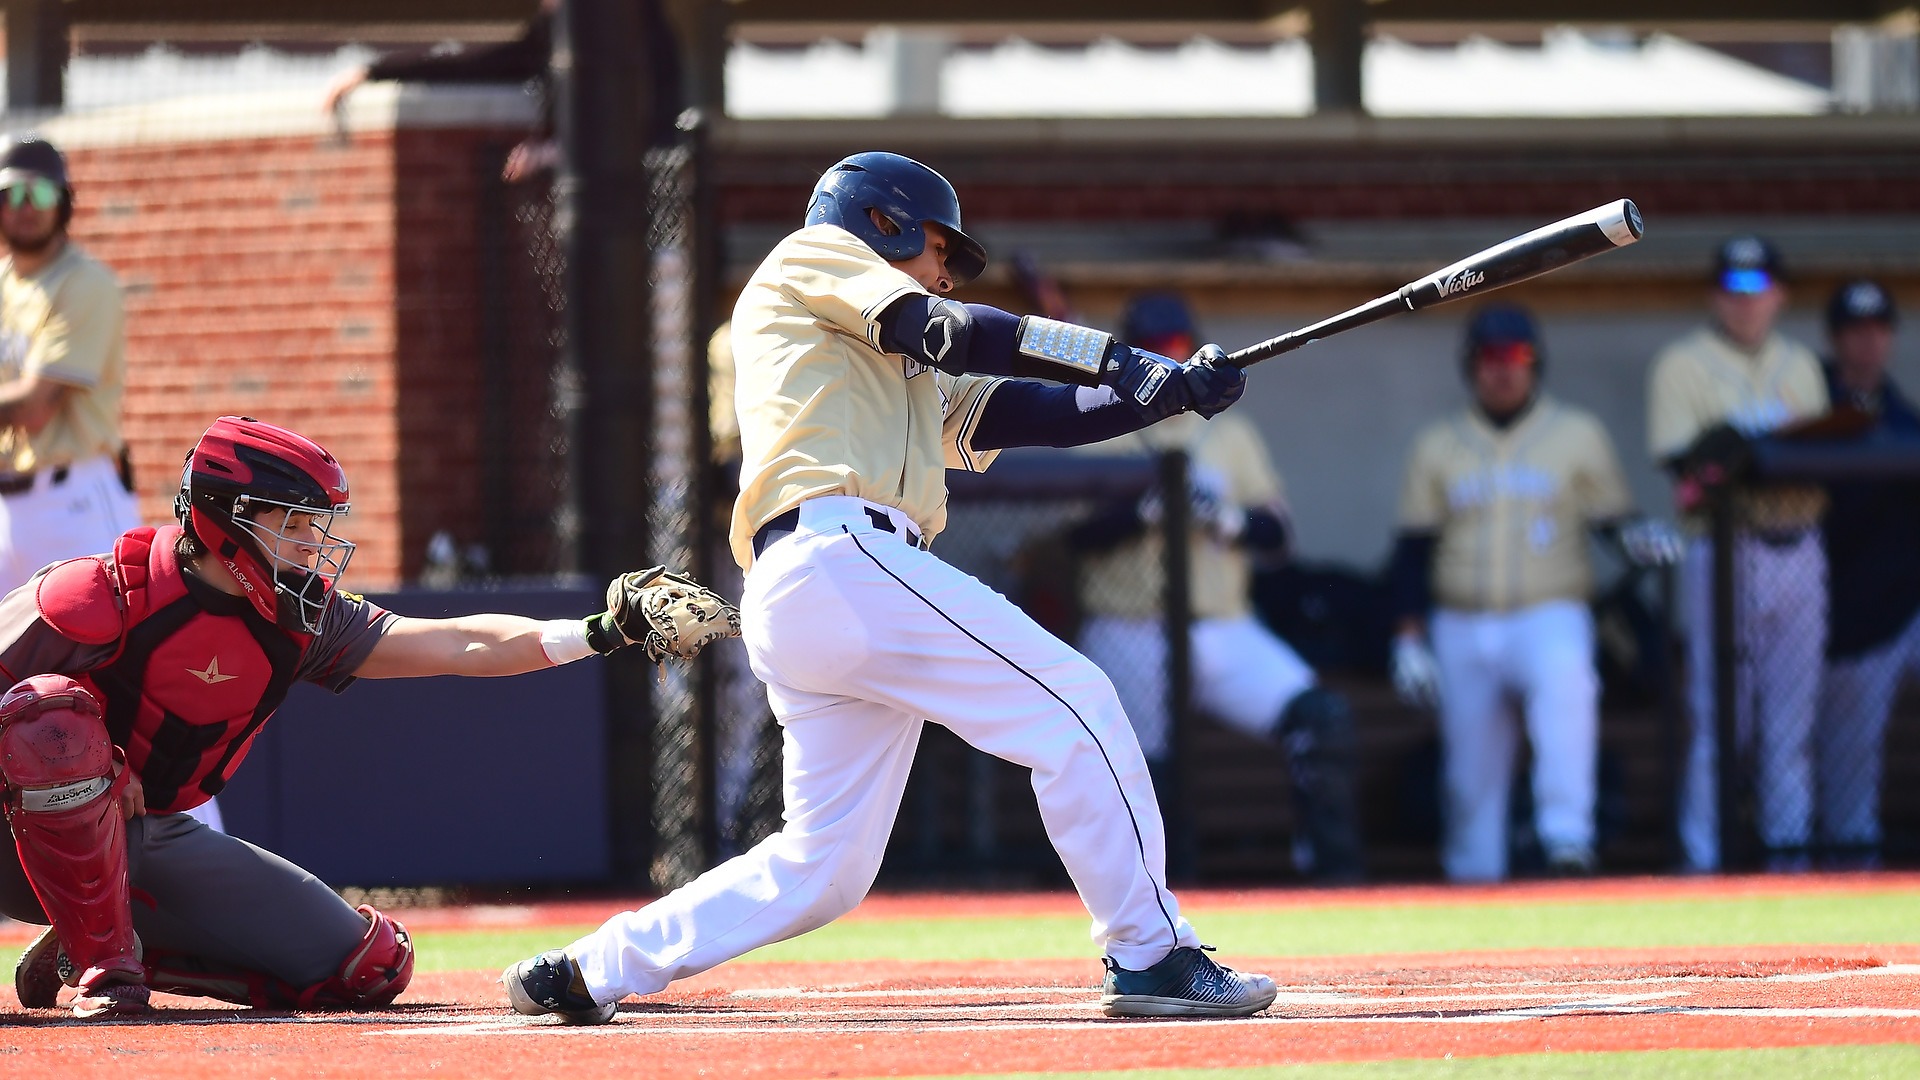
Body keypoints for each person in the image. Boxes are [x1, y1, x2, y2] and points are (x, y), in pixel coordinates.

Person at [502, 151, 1275, 1025]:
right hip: (842, 556)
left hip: (822, 587)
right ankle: (1150, 954)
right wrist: (1114, 356)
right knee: (1079, 705)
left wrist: (1166, 393)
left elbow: (1021, 411)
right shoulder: (816, 257)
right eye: (939, 248)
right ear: (882, 221)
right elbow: (950, 330)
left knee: (821, 869)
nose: (944, 271)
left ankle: (590, 967)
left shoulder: (884, 357)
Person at [2, 415, 736, 1019]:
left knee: (370, 967)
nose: (310, 544)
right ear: (229, 519)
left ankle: (95, 940)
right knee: (52, 722)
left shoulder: (299, 619)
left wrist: (600, 631)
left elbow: (458, 642)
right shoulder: (97, 594)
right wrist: (100, 762)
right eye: (294, 523)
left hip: (140, 843)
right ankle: (107, 970)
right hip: (15, 840)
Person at [1070, 291, 1362, 884]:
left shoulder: (1230, 434)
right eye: (1155, 350)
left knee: (1320, 720)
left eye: (1178, 348)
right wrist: (1140, 512)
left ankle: (1333, 882)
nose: (1169, 360)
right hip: (1131, 628)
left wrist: (1229, 521)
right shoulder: (1099, 424)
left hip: (1222, 626)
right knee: (1141, 772)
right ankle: (1158, 898)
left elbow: (1279, 537)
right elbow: (1067, 539)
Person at [1390, 305, 1680, 882]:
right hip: (1462, 620)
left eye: (1516, 357)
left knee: (1568, 691)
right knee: (1469, 771)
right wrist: (1408, 639)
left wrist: (1634, 537)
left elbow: (1611, 521)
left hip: (1550, 614)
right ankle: (1474, 876)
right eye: (1490, 358)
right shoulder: (1438, 443)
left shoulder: (1577, 433)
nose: (1503, 370)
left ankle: (1568, 844)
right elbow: (1412, 551)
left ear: (1536, 364)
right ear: (1470, 366)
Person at [1648, 236, 1830, 873]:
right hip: (1724, 551)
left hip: (1800, 547)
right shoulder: (1682, 363)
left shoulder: (1800, 364)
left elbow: (1822, 455)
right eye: (1733, 288)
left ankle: (1789, 865)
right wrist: (1741, 455)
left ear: (1780, 295)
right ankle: (1703, 864)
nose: (1746, 301)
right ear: (1714, 295)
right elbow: (1682, 463)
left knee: (1791, 730)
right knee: (1718, 722)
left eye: (1758, 288)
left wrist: (1750, 452)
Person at [0, 133, 140, 599]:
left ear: (63, 202)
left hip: (74, 504)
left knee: (99, 641)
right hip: (9, 508)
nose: (27, 206)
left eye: (41, 193)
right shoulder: (4, 284)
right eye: (13, 194)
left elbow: (34, 408)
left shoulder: (86, 282)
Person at [1816, 280, 1920, 869]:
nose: (1868, 341)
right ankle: (1849, 877)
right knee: (1849, 781)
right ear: (1836, 339)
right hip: (1848, 625)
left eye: (1878, 329)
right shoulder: (1811, 410)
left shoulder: (1905, 418)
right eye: (1855, 330)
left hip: (1908, 610)